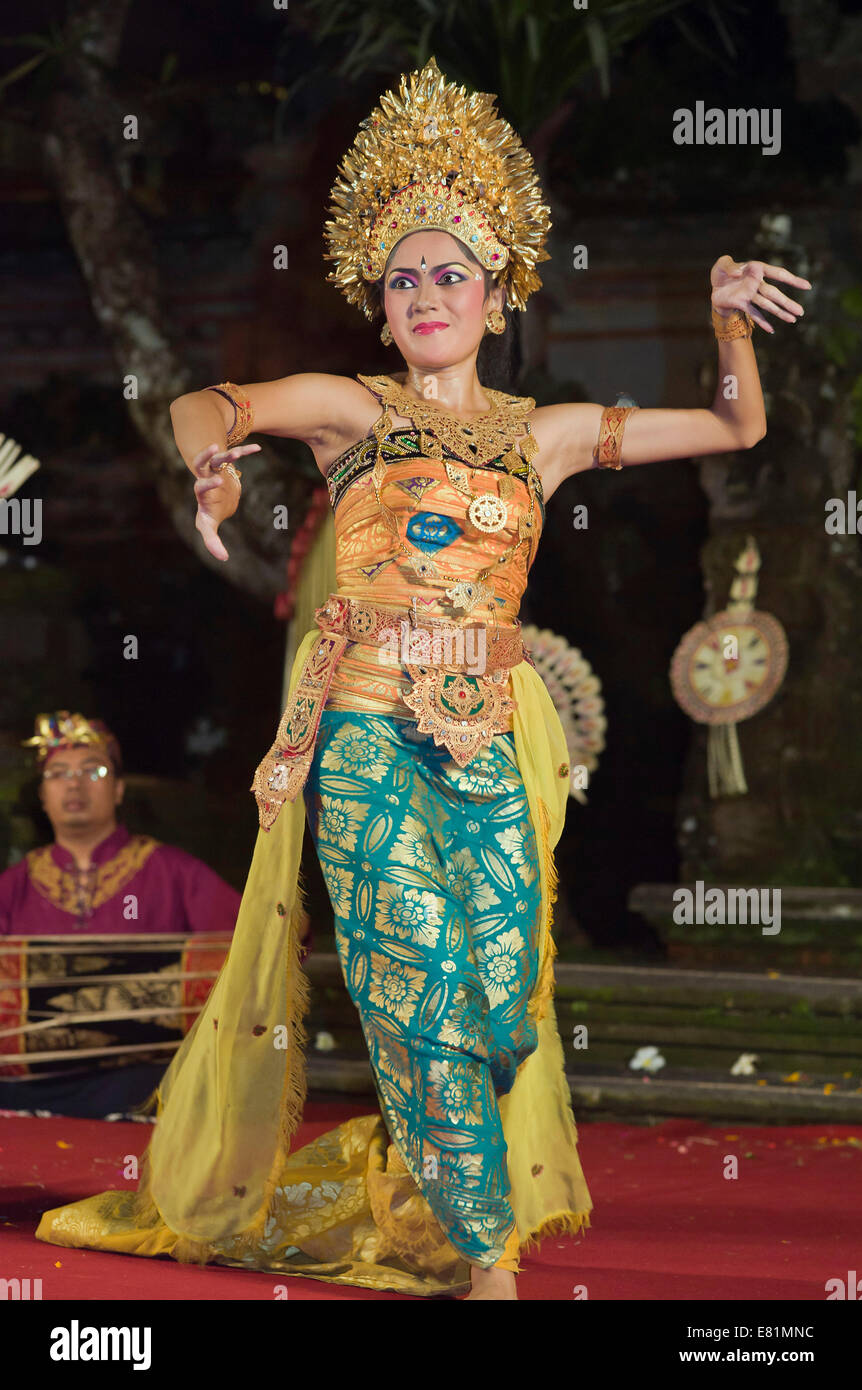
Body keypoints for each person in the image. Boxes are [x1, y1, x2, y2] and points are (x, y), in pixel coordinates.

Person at [36, 57, 810, 1300]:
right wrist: (217, 460)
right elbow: (209, 402)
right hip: (362, 736)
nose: (426, 292)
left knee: (504, 1003)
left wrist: (724, 318)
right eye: (402, 277)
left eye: (451, 270)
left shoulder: (541, 435)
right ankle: (484, 1262)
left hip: (488, 741)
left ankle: (441, 1182)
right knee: (420, 995)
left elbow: (735, 429)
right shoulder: (353, 410)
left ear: (499, 291)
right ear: (379, 303)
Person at [0, 712, 241, 934]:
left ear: (118, 789)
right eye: (59, 773)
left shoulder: (176, 875)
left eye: (93, 771)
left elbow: (250, 946)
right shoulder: (14, 887)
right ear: (42, 796)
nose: (74, 785)